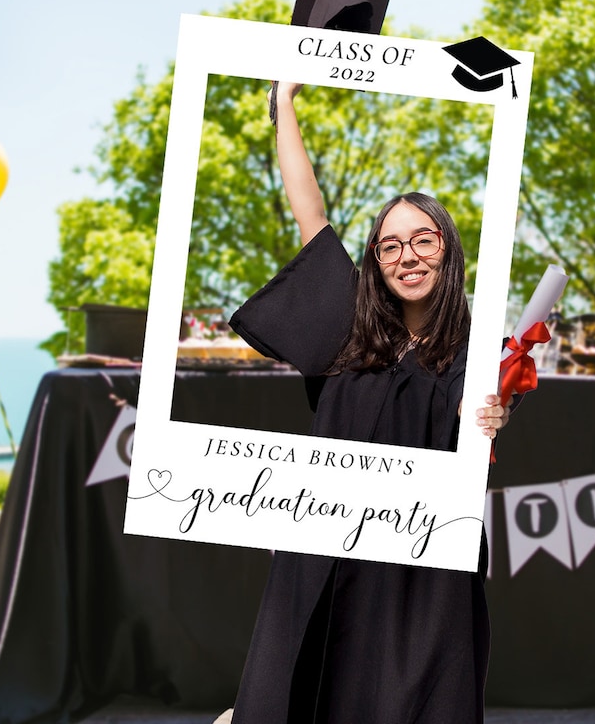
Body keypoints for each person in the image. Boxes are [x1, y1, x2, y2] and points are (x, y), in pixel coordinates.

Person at [226, 81, 510, 724]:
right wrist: (286, 104)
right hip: (329, 545)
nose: (406, 255)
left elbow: (488, 421)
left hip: (424, 568)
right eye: (389, 244)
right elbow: (311, 213)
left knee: (414, 701)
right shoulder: (347, 331)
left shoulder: (478, 345)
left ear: (449, 249)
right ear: (375, 261)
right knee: (311, 693)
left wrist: (493, 417)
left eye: (423, 239)